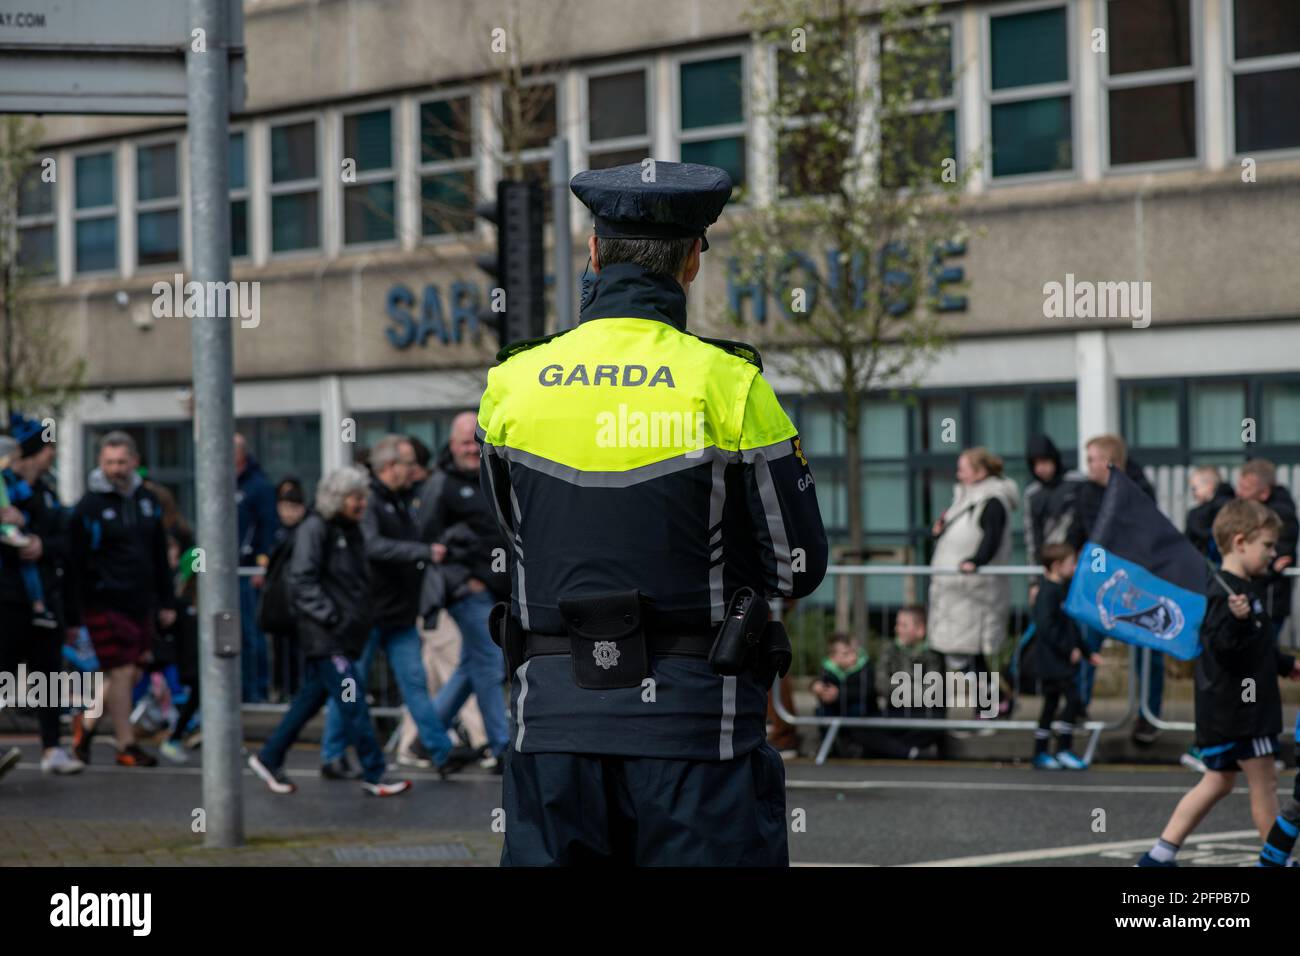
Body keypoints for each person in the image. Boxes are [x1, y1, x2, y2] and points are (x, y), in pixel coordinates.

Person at [481, 161, 827, 865]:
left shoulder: (513, 383)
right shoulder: (730, 385)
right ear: (693, 260)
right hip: (695, 731)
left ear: (593, 253)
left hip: (552, 726)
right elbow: (796, 567)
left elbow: (516, 542)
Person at [1137, 499, 1300, 866]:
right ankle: (1276, 860)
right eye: (1268, 546)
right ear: (1240, 542)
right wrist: (1239, 621)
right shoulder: (1227, 594)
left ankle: (1159, 854)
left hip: (1221, 710)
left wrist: (1286, 664)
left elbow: (1256, 648)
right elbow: (1223, 648)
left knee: (1217, 782)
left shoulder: (1234, 588)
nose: (1273, 555)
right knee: (1265, 785)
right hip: (1245, 711)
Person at [248, 467, 412, 797]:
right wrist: (332, 617)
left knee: (311, 699)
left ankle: (269, 756)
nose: (362, 503)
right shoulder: (316, 528)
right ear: (338, 499)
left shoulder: (348, 530)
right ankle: (375, 772)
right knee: (354, 701)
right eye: (356, 497)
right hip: (326, 634)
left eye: (363, 497)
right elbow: (301, 580)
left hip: (342, 633)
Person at [319, 435, 466, 779]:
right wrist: (423, 552)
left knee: (414, 683)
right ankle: (332, 754)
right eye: (407, 463)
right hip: (369, 613)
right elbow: (373, 546)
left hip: (397, 613)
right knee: (350, 684)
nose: (413, 470)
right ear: (389, 466)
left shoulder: (400, 501)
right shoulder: (370, 502)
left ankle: (439, 751)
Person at [67, 432, 177, 767]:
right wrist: (73, 613)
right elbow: (75, 562)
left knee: (128, 673)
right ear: (101, 463)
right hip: (104, 602)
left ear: (134, 462)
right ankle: (125, 744)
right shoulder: (89, 506)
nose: (116, 469)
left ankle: (86, 724)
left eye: (122, 462)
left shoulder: (147, 500)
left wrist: (167, 601)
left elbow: (159, 553)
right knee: (122, 669)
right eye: (110, 462)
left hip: (140, 601)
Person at [420, 413, 512, 772]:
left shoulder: (490, 473)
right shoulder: (440, 484)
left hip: (495, 586)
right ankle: (502, 745)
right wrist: (459, 580)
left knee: (469, 666)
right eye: (463, 442)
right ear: (451, 444)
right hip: (467, 590)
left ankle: (428, 736)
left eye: (475, 440)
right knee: (489, 663)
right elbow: (427, 539)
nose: (470, 448)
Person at [0, 418, 84, 774]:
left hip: (46, 599)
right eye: (48, 447)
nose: (52, 454)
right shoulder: (6, 490)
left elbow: (67, 543)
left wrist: (40, 545)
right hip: (7, 597)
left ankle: (53, 749)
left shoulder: (47, 494)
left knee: (48, 675)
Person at [1069, 433, 1162, 743]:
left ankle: (1148, 715)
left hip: (1134, 585)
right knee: (1086, 644)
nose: (1087, 466)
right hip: (1099, 583)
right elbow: (1083, 532)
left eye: (1092, 459)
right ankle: (1078, 705)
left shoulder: (1138, 491)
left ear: (1110, 462)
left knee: (1147, 652)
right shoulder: (1086, 492)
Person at [927, 447, 1018, 710]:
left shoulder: (992, 501)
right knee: (963, 656)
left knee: (967, 657)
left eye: (962, 468)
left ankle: (994, 704)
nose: (958, 473)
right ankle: (991, 704)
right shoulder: (965, 499)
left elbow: (992, 539)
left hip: (972, 593)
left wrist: (975, 562)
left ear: (980, 472)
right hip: (954, 594)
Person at [1030, 543, 1100, 770]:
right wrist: (1068, 649)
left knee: (1052, 704)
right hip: (1053, 661)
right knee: (1072, 701)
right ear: (1057, 566)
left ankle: (1045, 750)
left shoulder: (1063, 590)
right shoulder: (1047, 593)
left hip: (1061, 659)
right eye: (1072, 563)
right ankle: (1059, 749)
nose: (1076, 567)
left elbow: (1071, 627)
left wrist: (1088, 653)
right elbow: (1047, 628)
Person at [234, 433, 278, 703]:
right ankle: (238, 689)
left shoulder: (258, 486)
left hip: (248, 573)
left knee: (252, 635)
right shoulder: (220, 482)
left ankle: (256, 691)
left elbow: (268, 527)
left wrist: (262, 566)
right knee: (228, 634)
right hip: (225, 573)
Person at [1234, 458, 1298, 643]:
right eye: (1240, 485)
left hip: (1269, 596)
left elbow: (1278, 558)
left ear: (1264, 493)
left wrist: (1269, 569)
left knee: (1261, 653)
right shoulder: (1247, 509)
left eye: (1246, 488)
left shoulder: (1280, 516)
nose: (1239, 493)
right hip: (1250, 591)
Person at [875, 605, 946, 756]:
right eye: (897, 624)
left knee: (937, 726)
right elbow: (881, 684)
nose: (897, 629)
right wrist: (909, 690)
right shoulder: (889, 649)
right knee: (863, 728)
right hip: (894, 711)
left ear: (920, 629)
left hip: (925, 713)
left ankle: (895, 749)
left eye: (903, 625)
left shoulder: (933, 654)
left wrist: (900, 691)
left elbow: (931, 691)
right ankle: (910, 751)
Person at [263, 478, 307, 700]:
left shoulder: (303, 533)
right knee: (281, 651)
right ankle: (284, 689)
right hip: (280, 602)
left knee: (297, 652)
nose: (288, 513)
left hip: (296, 602)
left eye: (293, 508)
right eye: (284, 507)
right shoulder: (278, 532)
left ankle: (295, 690)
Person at [1021, 433, 1082, 579]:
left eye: (1044, 461)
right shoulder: (1032, 494)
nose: (1040, 468)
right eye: (1035, 464)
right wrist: (1034, 580)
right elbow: (1032, 539)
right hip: (1050, 568)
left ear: (1054, 459)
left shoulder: (1077, 483)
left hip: (1077, 564)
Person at [1185, 465, 1234, 560]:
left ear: (1209, 485)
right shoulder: (1232, 503)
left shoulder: (1198, 514)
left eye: (1195, 488)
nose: (1193, 494)